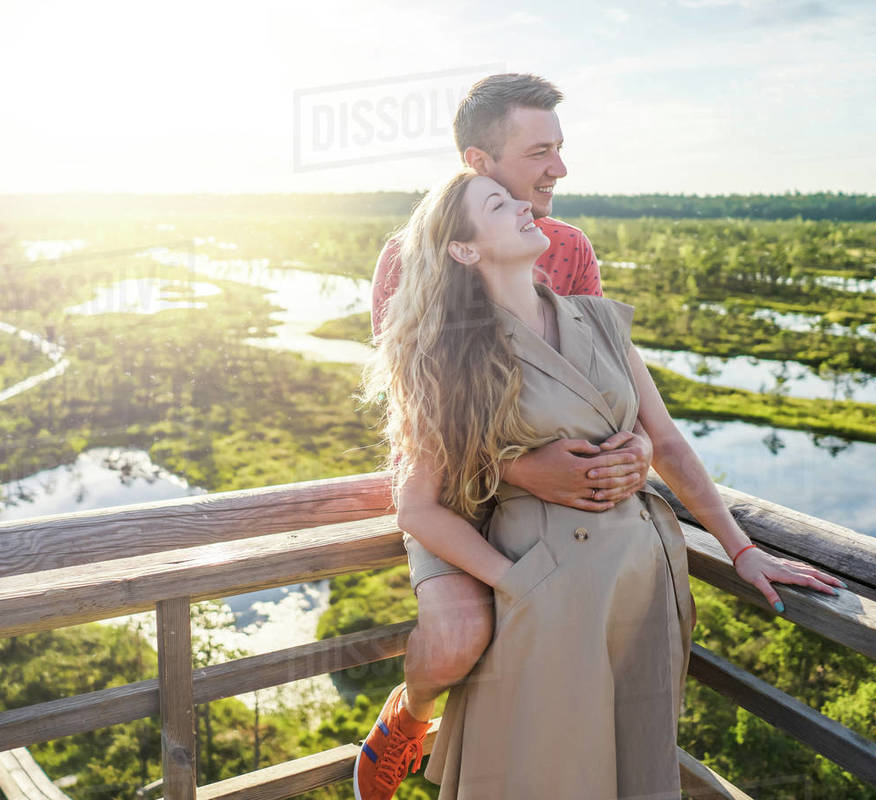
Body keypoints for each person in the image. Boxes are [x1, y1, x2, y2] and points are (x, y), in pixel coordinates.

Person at [357, 169, 846, 798]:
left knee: (635, 766)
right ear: (464, 249)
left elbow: (666, 442)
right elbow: (418, 508)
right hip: (545, 585)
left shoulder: (602, 322)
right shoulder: (453, 351)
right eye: (498, 204)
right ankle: (404, 721)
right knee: (539, 769)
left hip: (643, 583)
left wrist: (742, 550)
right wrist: (516, 582)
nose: (524, 205)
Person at [356, 72, 655, 799]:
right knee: (461, 636)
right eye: (538, 153)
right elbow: (423, 410)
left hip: (551, 490)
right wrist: (523, 473)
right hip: (454, 487)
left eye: (559, 150)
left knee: (573, 630)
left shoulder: (570, 248)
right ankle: (410, 722)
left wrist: (639, 447)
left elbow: (600, 373)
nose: (558, 169)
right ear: (478, 162)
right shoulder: (412, 254)